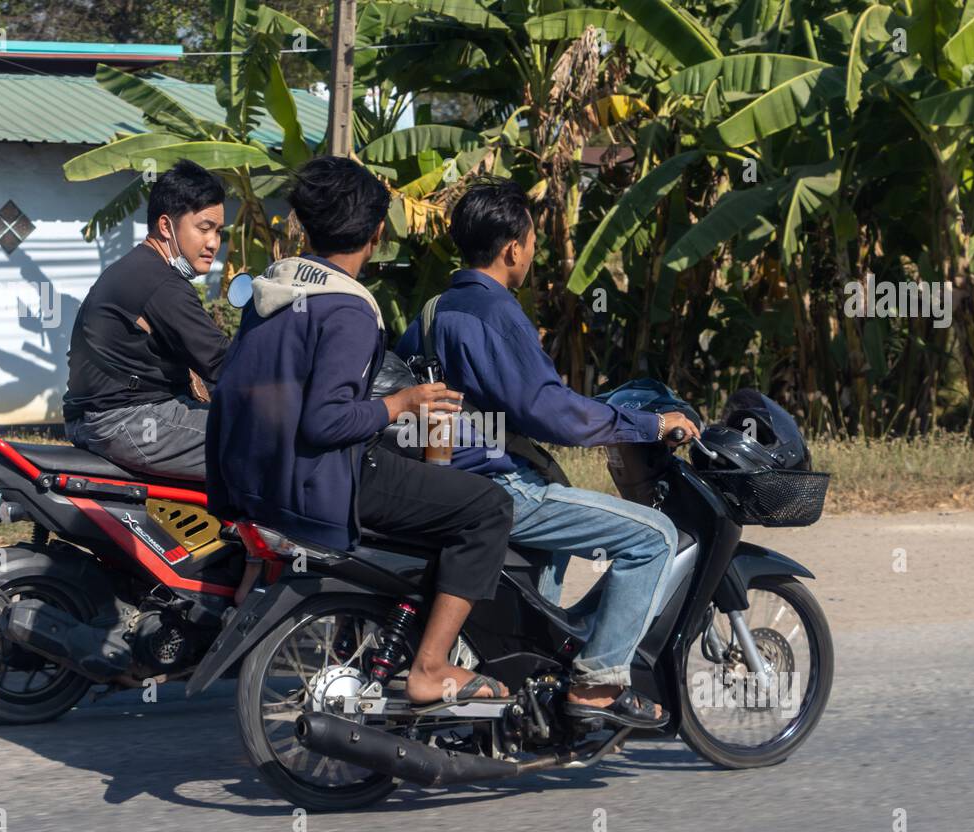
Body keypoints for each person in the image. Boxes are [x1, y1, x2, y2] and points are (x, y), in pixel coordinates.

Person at [206, 157, 515, 703]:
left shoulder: (270, 292)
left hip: (257, 481)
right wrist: (404, 402)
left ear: (306, 226)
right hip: (323, 484)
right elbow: (327, 420)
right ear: (376, 233)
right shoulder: (346, 308)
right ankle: (431, 665)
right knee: (488, 507)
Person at [396, 176, 701, 727]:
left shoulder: (432, 311)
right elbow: (551, 412)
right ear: (513, 247)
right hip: (498, 487)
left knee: (560, 535)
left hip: (444, 482)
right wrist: (650, 424)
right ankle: (599, 683)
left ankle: (530, 675)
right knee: (655, 537)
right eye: (532, 240)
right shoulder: (497, 312)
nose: (532, 251)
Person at [62, 159, 231, 482]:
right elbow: (223, 363)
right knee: (265, 442)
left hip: (96, 419)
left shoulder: (136, 268)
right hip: (128, 422)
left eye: (219, 231)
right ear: (166, 226)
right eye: (204, 228)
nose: (213, 243)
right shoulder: (161, 283)